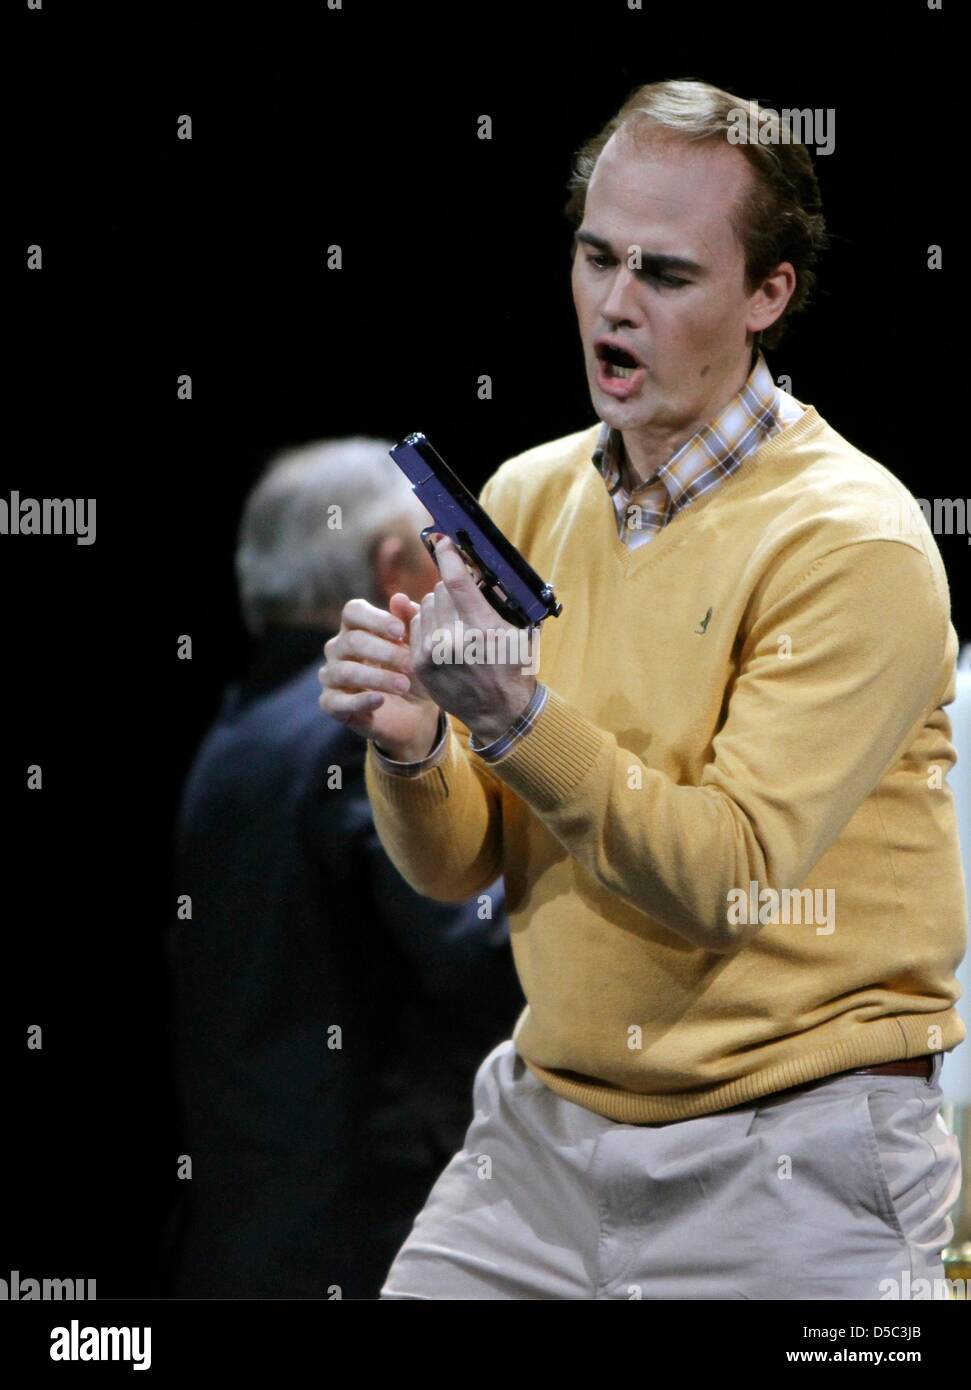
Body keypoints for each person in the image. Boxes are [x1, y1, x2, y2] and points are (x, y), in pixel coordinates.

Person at [319, 80, 967, 1300]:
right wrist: (413, 753)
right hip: (545, 1130)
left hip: (792, 1153)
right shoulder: (528, 497)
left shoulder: (850, 543)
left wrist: (510, 717)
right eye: (595, 256)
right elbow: (466, 865)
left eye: (664, 276)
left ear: (766, 295)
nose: (614, 305)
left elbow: (727, 878)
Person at [162, 437, 523, 1300]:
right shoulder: (352, 728)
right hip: (374, 1232)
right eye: (440, 556)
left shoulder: (233, 734)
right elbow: (475, 954)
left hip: (253, 1229)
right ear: (392, 566)